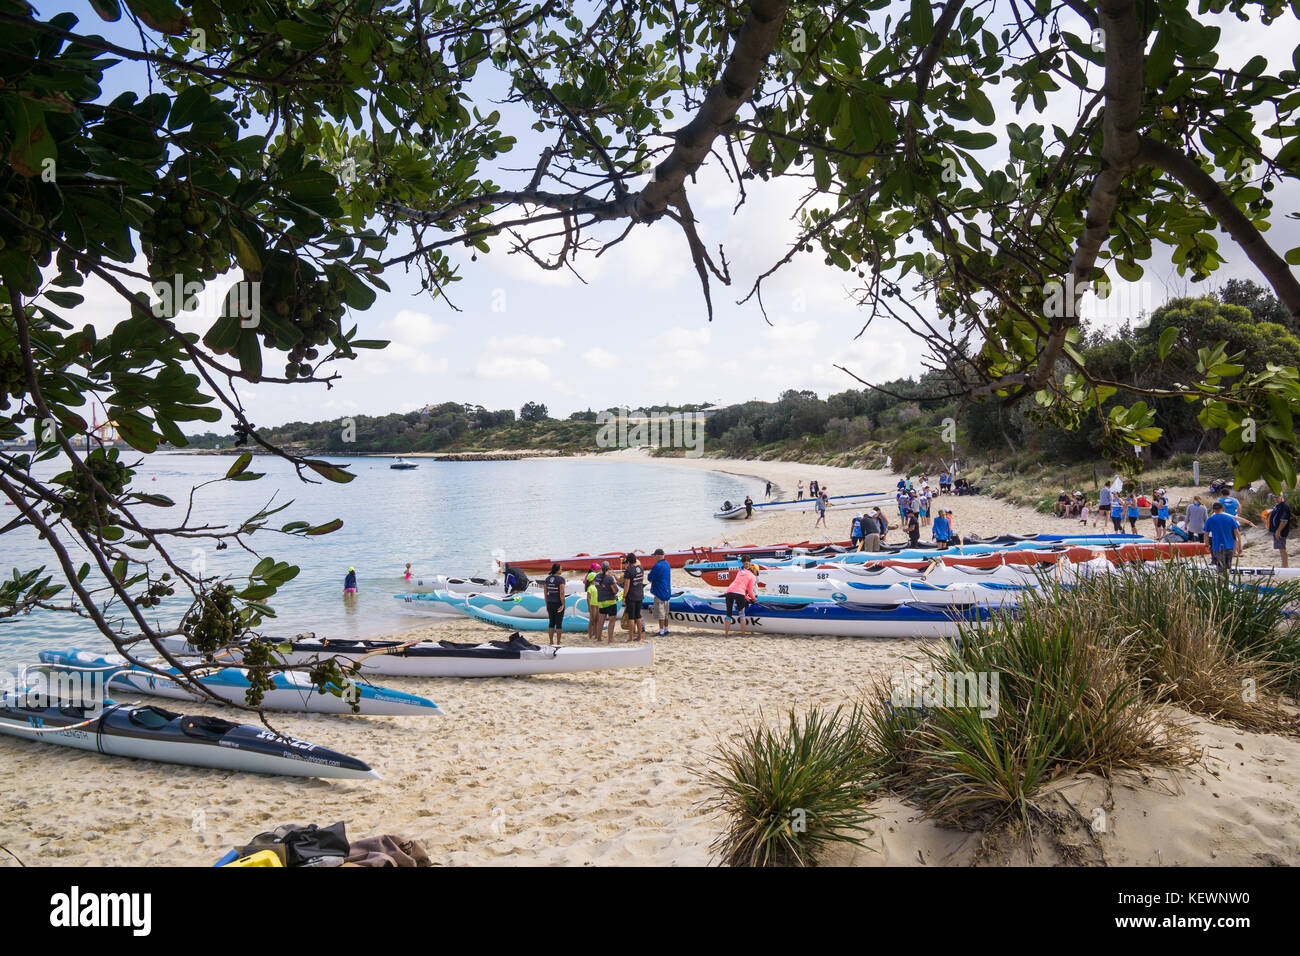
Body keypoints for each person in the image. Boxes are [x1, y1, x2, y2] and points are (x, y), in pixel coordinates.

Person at [1205, 501, 1242, 574]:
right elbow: (1237, 534)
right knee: (1228, 568)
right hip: (1229, 546)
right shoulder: (1230, 518)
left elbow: (1206, 534)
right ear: (1223, 508)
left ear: (1213, 510)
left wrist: (1207, 545)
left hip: (1217, 547)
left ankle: (1221, 584)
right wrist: (1240, 547)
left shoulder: (1210, 519)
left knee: (1220, 569)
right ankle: (1226, 583)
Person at [723, 556, 757, 636]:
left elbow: (739, 587)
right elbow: (750, 591)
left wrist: (747, 598)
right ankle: (743, 634)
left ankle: (726, 635)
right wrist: (753, 599)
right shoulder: (752, 577)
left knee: (728, 614)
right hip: (739, 593)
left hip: (729, 591)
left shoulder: (740, 572)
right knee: (742, 614)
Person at [593, 560, 621, 642]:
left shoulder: (597, 577)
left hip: (601, 601)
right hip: (610, 601)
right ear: (608, 568)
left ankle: (599, 638)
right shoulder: (609, 578)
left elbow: (597, 586)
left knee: (601, 621)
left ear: (601, 568)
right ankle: (610, 639)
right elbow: (615, 590)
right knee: (612, 621)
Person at [621, 553, 647, 642]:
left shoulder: (629, 571)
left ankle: (631, 638)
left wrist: (624, 597)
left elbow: (626, 585)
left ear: (628, 562)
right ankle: (639, 637)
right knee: (638, 616)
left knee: (631, 618)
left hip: (631, 596)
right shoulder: (641, 568)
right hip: (640, 594)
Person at [648, 548, 672, 637]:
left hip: (659, 592)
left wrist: (650, 575)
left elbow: (650, 578)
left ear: (658, 555)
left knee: (661, 613)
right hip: (667, 590)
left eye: (654, 555)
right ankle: (666, 629)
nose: (654, 557)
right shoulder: (667, 564)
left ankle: (661, 631)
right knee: (666, 612)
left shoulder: (658, 566)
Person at [543, 562, 566, 645]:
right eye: (561, 569)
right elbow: (562, 593)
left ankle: (551, 642)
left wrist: (546, 604)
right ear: (557, 570)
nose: (562, 570)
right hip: (558, 603)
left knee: (551, 622)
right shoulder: (561, 579)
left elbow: (545, 592)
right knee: (559, 624)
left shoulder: (547, 579)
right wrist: (563, 604)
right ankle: (558, 643)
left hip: (549, 603)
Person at [1269, 492, 1292, 568]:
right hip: (1276, 530)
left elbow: (1284, 520)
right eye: (1274, 497)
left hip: (1281, 531)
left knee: (1282, 548)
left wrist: (1278, 531)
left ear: (1281, 496)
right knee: (1280, 548)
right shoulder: (1278, 505)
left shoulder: (1284, 506)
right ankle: (1284, 565)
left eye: (1277, 497)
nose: (1275, 499)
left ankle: (1285, 566)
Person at [584, 564, 601, 641]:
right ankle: (590, 635)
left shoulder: (597, 586)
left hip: (598, 605)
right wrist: (589, 607)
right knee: (592, 620)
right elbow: (588, 598)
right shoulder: (590, 587)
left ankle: (596, 634)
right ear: (592, 579)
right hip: (593, 605)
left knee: (597, 620)